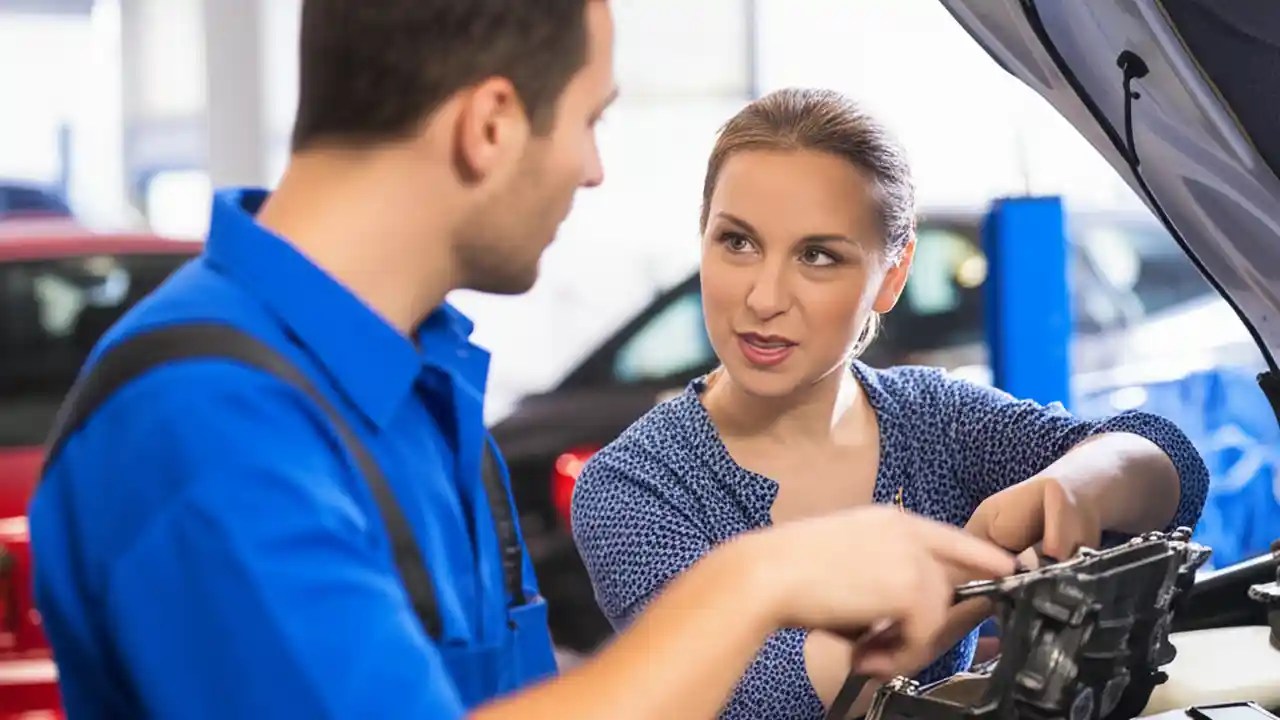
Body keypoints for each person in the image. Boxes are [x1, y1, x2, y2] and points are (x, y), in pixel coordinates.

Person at [27, 3, 1019, 719]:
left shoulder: (417, 397)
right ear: (491, 123)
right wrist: (754, 585)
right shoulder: (209, 426)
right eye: (587, 118)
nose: (592, 168)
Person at [570, 87, 1212, 720]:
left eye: (817, 255)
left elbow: (1170, 463)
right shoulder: (634, 487)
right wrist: (979, 563)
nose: (764, 297)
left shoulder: (933, 420)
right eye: (737, 242)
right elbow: (760, 697)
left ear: (893, 274)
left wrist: (1080, 483)